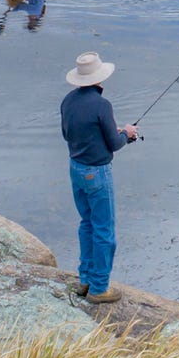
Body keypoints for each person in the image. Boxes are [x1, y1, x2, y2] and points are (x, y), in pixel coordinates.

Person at [60, 51, 138, 303]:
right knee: (104, 229)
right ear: (99, 78)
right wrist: (126, 133)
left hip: (76, 168)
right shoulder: (102, 105)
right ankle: (99, 288)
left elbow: (68, 133)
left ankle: (84, 280)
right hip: (97, 173)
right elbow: (115, 144)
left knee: (87, 223)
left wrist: (107, 132)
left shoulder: (67, 101)